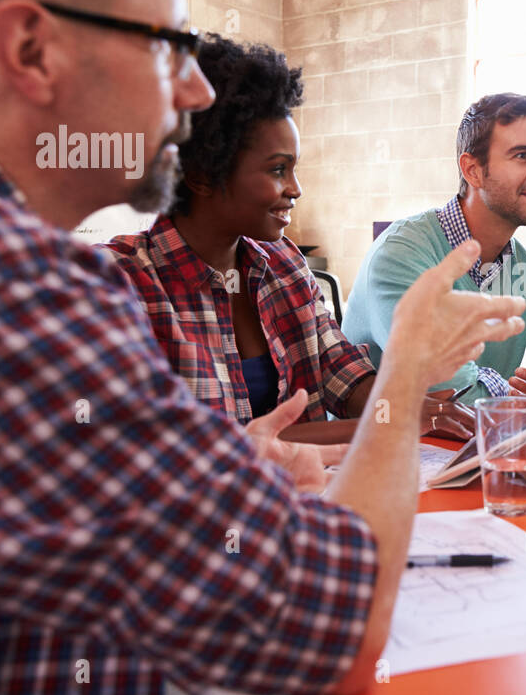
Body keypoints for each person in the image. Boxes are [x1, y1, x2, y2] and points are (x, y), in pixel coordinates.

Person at [0, 0, 525, 695]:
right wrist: (407, 368)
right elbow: (330, 628)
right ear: (32, 48)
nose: (191, 89)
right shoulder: (19, 292)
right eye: (168, 43)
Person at [102, 35, 471, 442]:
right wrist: (386, 425)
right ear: (202, 175)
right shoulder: (121, 283)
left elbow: (340, 371)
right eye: (278, 170)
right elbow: (184, 452)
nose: (295, 189)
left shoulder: (282, 261)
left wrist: (405, 407)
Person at [342, 92, 526, 413]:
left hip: (482, 450)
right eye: (522, 155)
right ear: (473, 170)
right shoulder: (403, 252)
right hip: (375, 453)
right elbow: (449, 393)